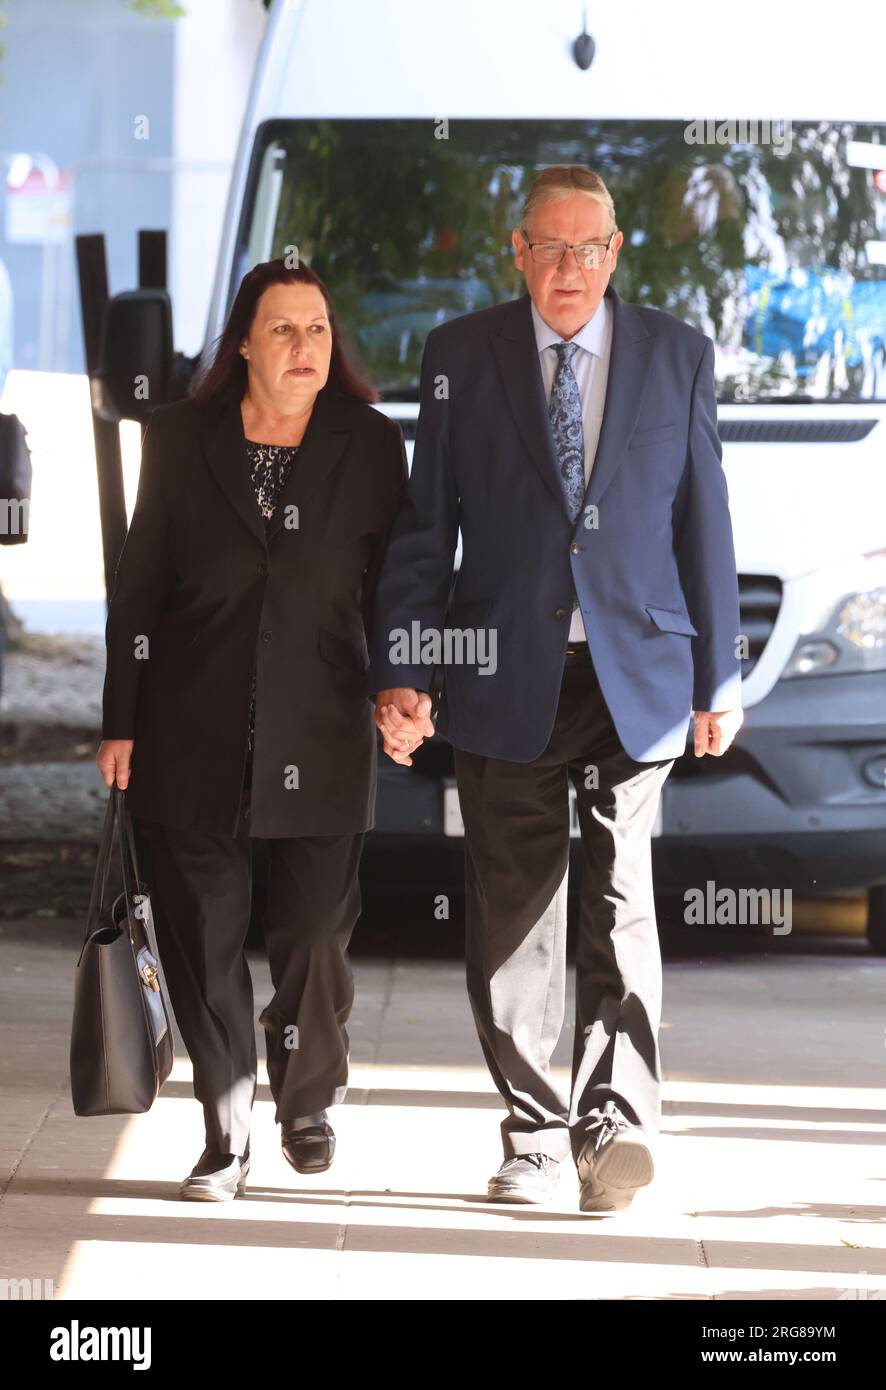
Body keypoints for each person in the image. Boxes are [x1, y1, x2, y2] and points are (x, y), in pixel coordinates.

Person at [370, 166, 744, 1214]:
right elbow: (421, 533)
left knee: (622, 905)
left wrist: (720, 673)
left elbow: (703, 524)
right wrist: (403, 670)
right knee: (515, 913)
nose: (569, 266)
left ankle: (614, 1123)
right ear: (519, 252)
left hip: (637, 672)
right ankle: (534, 1137)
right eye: (550, 246)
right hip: (501, 675)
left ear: (617, 253)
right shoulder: (459, 357)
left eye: (589, 247)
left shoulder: (677, 354)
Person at [96, 258, 406, 1200]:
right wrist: (121, 719)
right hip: (191, 726)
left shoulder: (371, 443)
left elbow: (395, 586)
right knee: (202, 931)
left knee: (314, 929)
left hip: (322, 726)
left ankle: (306, 1096)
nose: (304, 345)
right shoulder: (183, 438)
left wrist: (404, 686)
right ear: (243, 342)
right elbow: (140, 584)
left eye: (317, 329)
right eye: (283, 329)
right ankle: (226, 1129)